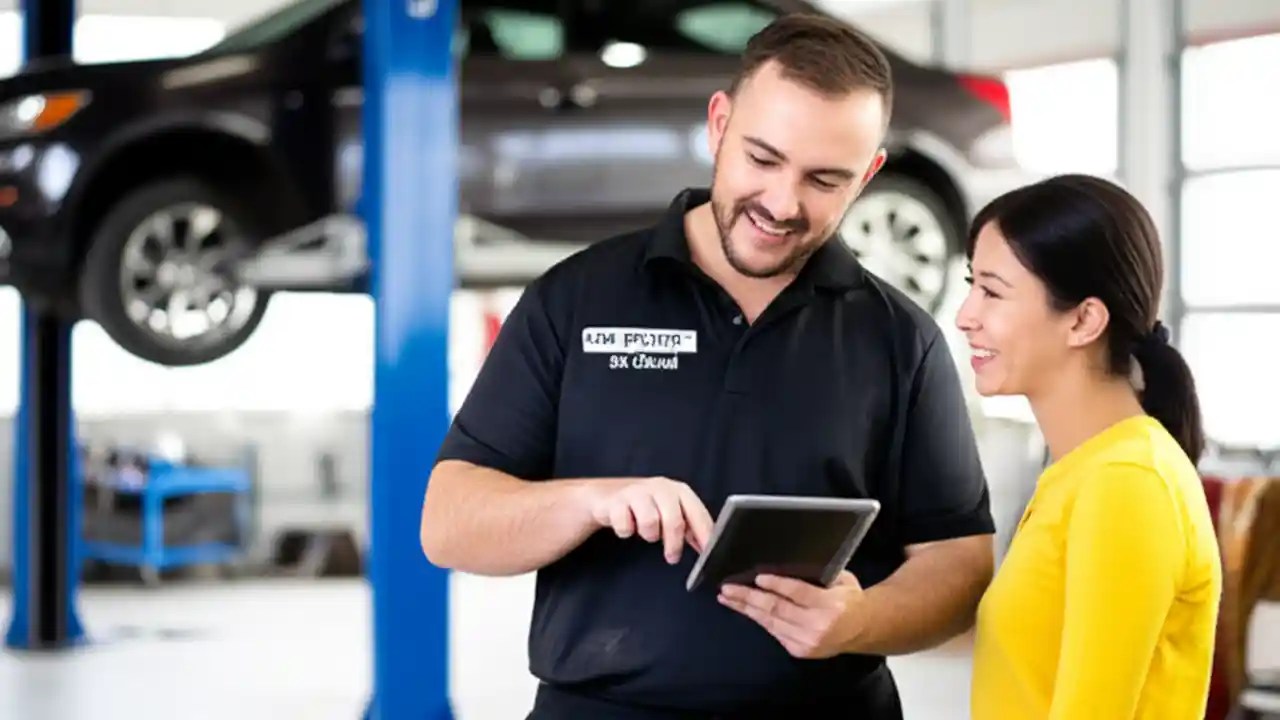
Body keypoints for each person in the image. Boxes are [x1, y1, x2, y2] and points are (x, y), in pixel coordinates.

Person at [422, 13, 996, 719]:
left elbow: (960, 563)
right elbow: (448, 523)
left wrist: (861, 620)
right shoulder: (575, 301)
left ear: (869, 173)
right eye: (763, 159)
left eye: (824, 180)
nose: (783, 204)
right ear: (719, 124)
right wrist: (588, 500)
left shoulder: (900, 340)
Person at [959, 174, 1223, 719]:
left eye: (992, 291)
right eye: (971, 284)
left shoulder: (1126, 483)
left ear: (1083, 320)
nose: (966, 315)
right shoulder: (1089, 471)